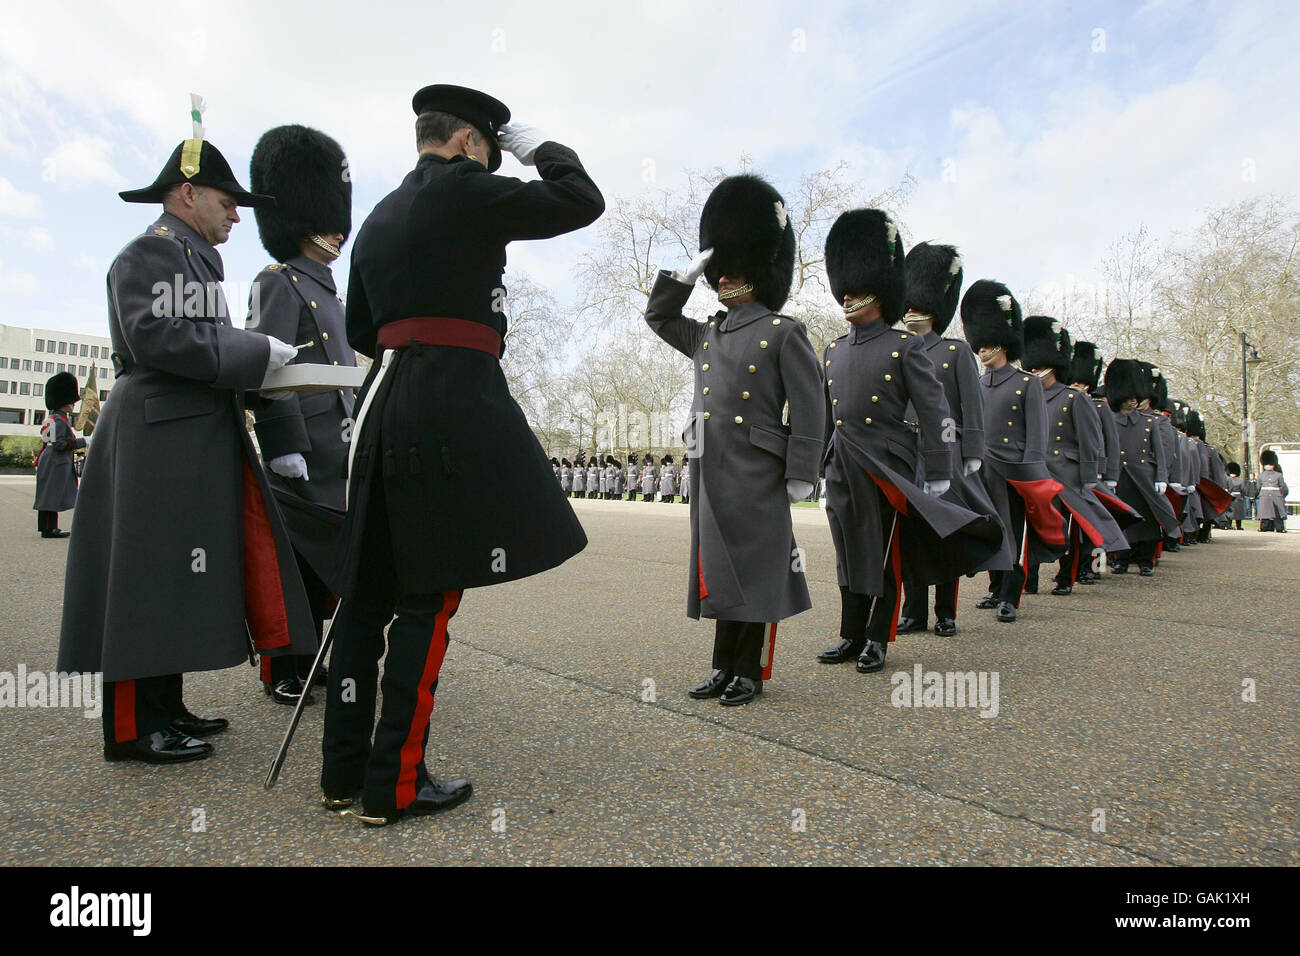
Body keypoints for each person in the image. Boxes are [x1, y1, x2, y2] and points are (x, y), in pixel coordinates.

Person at [323, 84, 604, 825]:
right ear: (472, 141)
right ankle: (397, 782)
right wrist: (535, 147)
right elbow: (581, 199)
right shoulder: (469, 187)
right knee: (429, 593)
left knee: (366, 596)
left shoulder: (379, 215)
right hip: (447, 403)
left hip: (383, 402)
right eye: (488, 143)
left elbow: (358, 325)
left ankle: (342, 773)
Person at [57, 135, 318, 765]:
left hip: (177, 434)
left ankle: (164, 707)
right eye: (228, 203)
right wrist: (259, 351)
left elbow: (201, 346)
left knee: (170, 576)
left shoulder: (192, 260)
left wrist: (259, 367)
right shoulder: (154, 250)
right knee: (143, 581)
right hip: (155, 435)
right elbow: (159, 338)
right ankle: (131, 727)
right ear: (188, 193)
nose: (236, 215)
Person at [645, 174, 825, 705]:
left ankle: (750, 669)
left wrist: (801, 472)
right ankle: (723, 666)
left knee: (760, 570)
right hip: (709, 467)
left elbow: (812, 406)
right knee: (719, 567)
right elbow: (657, 316)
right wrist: (688, 272)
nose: (723, 282)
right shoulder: (707, 333)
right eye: (718, 275)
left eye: (730, 273)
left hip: (757, 467)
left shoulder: (783, 331)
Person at [815, 215, 1002, 672]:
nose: (846, 297)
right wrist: (817, 467)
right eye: (844, 290)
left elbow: (936, 411)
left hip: (888, 462)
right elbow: (827, 416)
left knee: (882, 554)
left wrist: (940, 470)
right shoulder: (834, 350)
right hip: (844, 463)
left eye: (855, 290)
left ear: (879, 292)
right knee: (848, 552)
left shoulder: (905, 347)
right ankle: (849, 633)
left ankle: (878, 637)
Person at [245, 123, 356, 707]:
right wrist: (281, 439)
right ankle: (282, 667)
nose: (337, 228)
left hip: (341, 447)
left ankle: (315, 659)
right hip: (304, 446)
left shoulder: (332, 293)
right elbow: (267, 367)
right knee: (296, 565)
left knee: (329, 563)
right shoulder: (276, 281)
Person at [893, 242, 1011, 637]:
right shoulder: (897, 349)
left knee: (946, 531)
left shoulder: (955, 351)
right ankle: (914, 611)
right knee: (912, 534)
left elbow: (971, 406)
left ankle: (946, 612)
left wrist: (973, 452)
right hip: (907, 454)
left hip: (946, 449)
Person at [963, 282, 1066, 621]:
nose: (983, 351)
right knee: (991, 529)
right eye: (980, 345)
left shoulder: (1027, 383)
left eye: (989, 345)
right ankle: (995, 588)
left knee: (1014, 533)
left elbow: (1037, 435)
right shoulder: (977, 385)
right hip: (983, 470)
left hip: (1016, 471)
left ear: (1003, 345)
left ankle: (1011, 594)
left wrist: (1033, 475)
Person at [1020, 317, 1127, 596]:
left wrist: (1091, 476)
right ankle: (1028, 577)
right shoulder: (1026, 394)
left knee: (1070, 528)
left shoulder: (1073, 398)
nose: (1033, 370)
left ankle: (1067, 575)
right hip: (1035, 472)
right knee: (1030, 528)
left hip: (1066, 473)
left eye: (1038, 366)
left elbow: (1090, 440)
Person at [1102, 359, 1181, 573]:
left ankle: (1145, 560)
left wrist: (1161, 478)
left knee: (1146, 519)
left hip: (1144, 476)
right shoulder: (1108, 419)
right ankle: (1120, 558)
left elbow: (1160, 454)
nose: (1133, 402)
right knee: (1121, 518)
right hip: (1118, 475)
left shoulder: (1150, 422)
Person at [34, 372, 86, 538]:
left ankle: (48, 527)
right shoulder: (58, 420)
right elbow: (60, 445)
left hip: (50, 459)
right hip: (55, 461)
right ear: (66, 402)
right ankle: (49, 529)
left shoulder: (53, 418)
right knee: (51, 495)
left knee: (49, 494)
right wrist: (84, 441)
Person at [1257, 450, 1288, 532]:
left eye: (1270, 464)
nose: (1268, 466)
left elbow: (1282, 487)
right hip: (1265, 496)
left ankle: (1280, 528)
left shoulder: (1278, 475)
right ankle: (1264, 527)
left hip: (1276, 496)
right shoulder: (1261, 476)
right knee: (1265, 513)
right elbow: (1258, 487)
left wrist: (1281, 495)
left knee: (1277, 513)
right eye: (1266, 464)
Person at [1225, 462, 1245, 529]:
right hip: (1231, 496)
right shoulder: (1228, 479)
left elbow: (1242, 490)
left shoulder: (1239, 480)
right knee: (1230, 512)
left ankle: (1238, 526)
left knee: (1238, 513)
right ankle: (1229, 525)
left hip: (1237, 497)